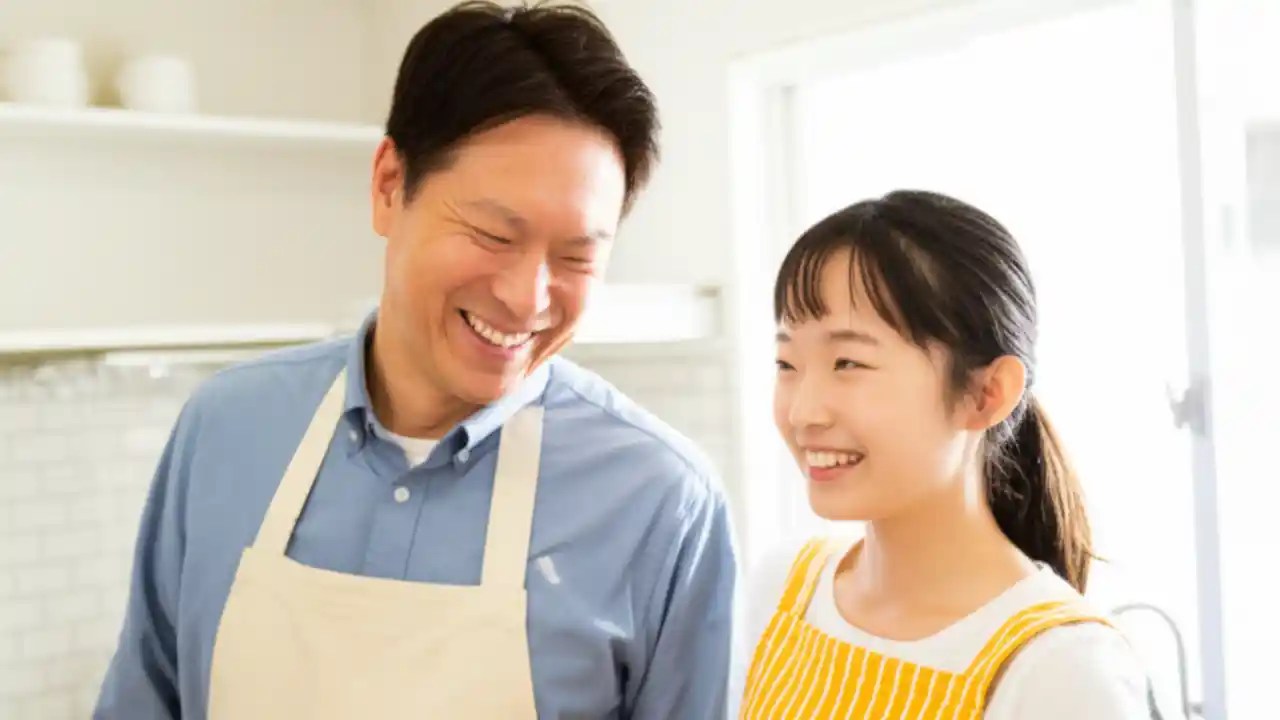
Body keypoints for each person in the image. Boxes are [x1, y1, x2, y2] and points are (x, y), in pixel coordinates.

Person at [94, 3, 737, 718]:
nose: (528, 300)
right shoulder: (224, 433)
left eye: (576, 256)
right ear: (389, 185)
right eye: (495, 234)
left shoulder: (661, 503)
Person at [738, 191, 1149, 718]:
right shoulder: (781, 592)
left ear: (987, 394)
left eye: (848, 363)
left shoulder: (1063, 669)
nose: (803, 413)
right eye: (787, 363)